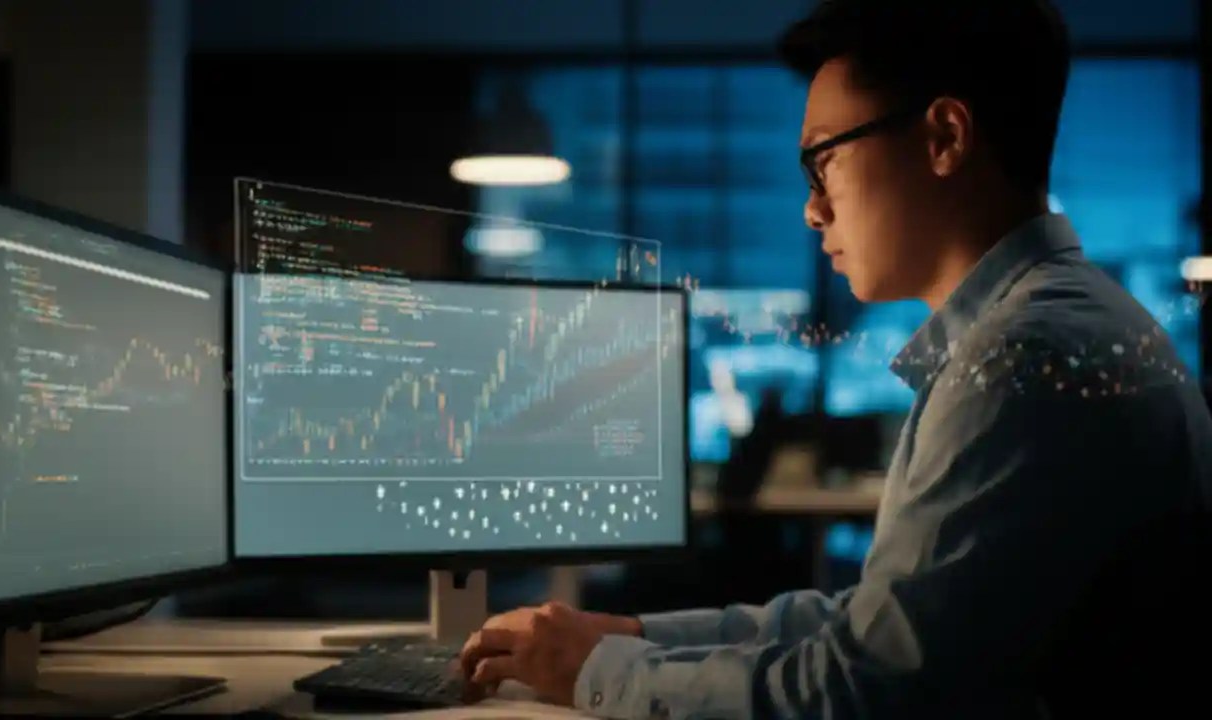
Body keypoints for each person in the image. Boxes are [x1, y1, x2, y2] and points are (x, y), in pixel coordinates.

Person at [457, 0, 1212, 717]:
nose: (812, 208)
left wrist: (594, 674)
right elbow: (872, 625)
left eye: (823, 160)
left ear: (945, 138)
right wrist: (629, 637)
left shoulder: (1019, 362)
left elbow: (861, 690)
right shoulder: (1067, 324)